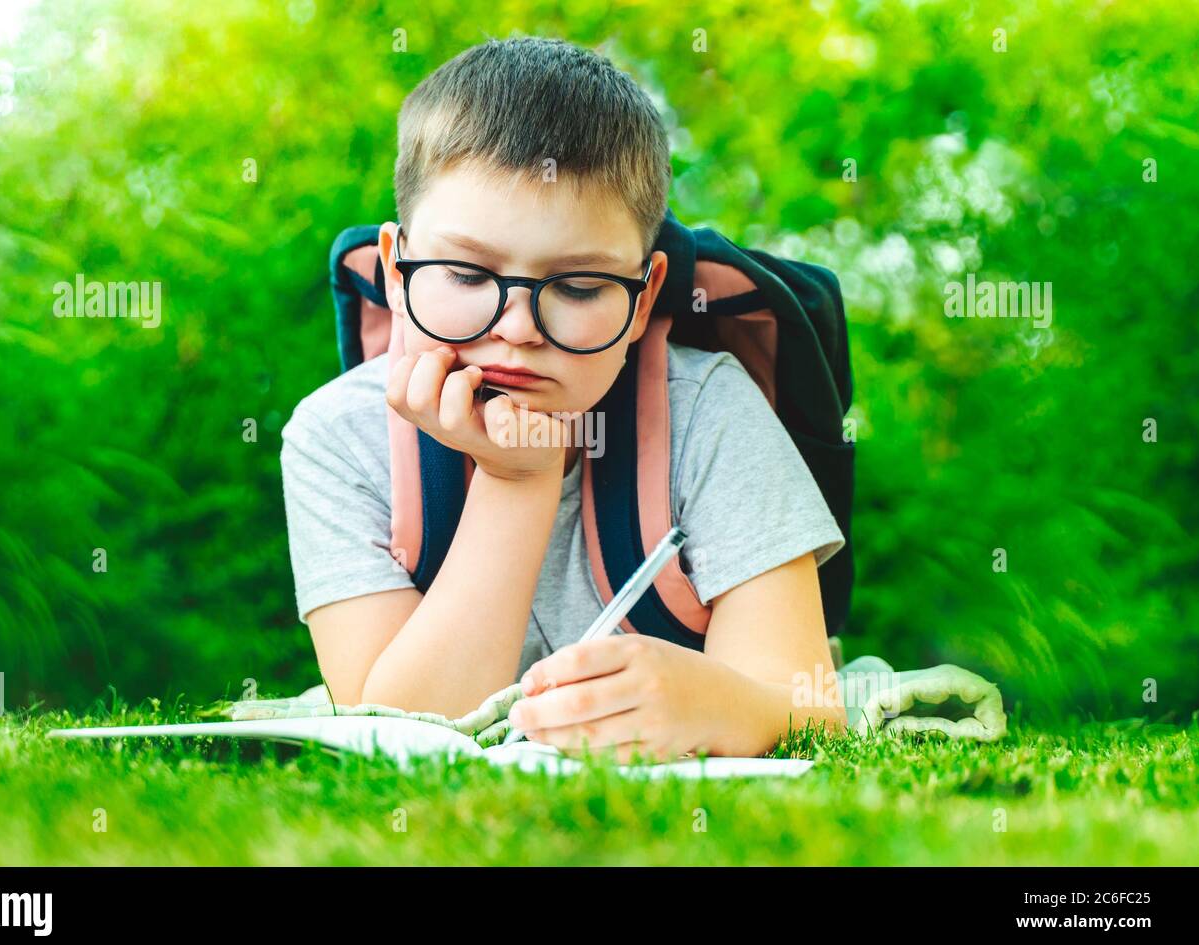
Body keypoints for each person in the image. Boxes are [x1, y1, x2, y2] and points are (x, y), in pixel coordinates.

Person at [280, 36, 848, 760]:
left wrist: (716, 703)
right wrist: (520, 478)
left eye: (579, 286)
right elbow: (400, 732)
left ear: (641, 302)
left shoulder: (710, 412)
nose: (517, 328)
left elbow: (805, 706)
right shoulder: (336, 437)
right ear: (396, 273)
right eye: (465, 274)